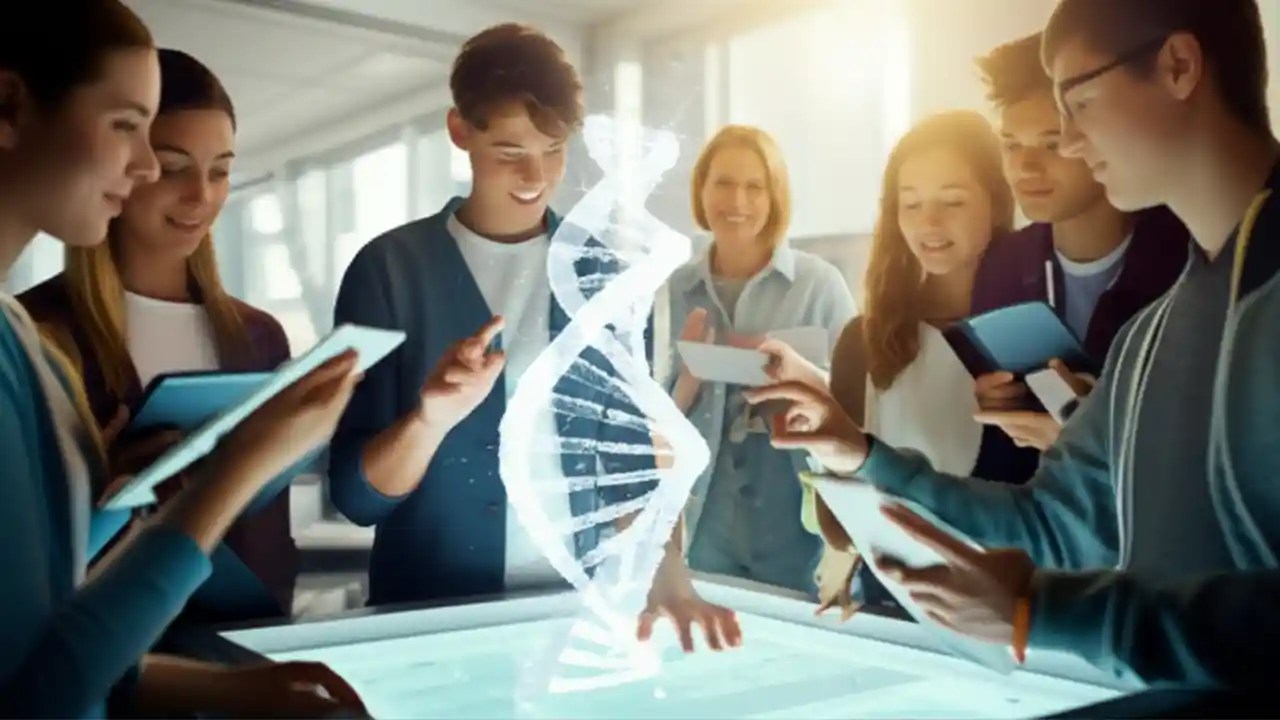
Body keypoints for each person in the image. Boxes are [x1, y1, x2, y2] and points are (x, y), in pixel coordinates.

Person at [745, 0, 1280, 689]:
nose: (1069, 141)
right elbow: (1054, 523)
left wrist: (1052, 612)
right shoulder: (1151, 336)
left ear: (1178, 66)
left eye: (1078, 103)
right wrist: (865, 457)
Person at [0, 3, 366, 716]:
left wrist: (225, 685)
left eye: (220, 170)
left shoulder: (15, 335)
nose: (140, 169)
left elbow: (43, 635)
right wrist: (236, 470)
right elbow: (36, 691)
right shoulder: (36, 336)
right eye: (127, 128)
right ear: (10, 105)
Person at [329, 23, 740, 652]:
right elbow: (358, 497)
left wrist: (671, 582)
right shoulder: (389, 270)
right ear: (459, 131)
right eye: (509, 150)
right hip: (429, 621)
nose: (535, 175)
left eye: (553, 149)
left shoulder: (603, 275)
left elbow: (629, 471)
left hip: (575, 619)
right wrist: (429, 420)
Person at [20, 48, 299, 624]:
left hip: (244, 641)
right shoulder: (38, 328)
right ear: (130, 165)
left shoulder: (258, 337)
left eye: (220, 171)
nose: (201, 196)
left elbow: (269, 522)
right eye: (174, 167)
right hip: (97, 645)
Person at [812, 111, 1013, 615]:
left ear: (997, 202)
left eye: (953, 201)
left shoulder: (1031, 336)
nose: (929, 223)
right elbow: (836, 523)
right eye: (912, 204)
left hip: (1010, 614)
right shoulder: (864, 339)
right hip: (892, 606)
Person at [968, 31, 1188, 472]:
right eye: (1011, 145)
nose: (1026, 168)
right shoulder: (1002, 265)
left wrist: (1100, 428)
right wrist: (991, 397)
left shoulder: (1184, 258)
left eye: (1051, 144)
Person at [668, 125, 854, 596]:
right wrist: (688, 380)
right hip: (707, 524)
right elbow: (654, 417)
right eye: (724, 183)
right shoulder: (674, 291)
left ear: (775, 197)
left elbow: (863, 403)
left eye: (756, 187)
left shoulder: (819, 285)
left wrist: (800, 379)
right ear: (701, 190)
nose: (738, 201)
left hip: (798, 522)